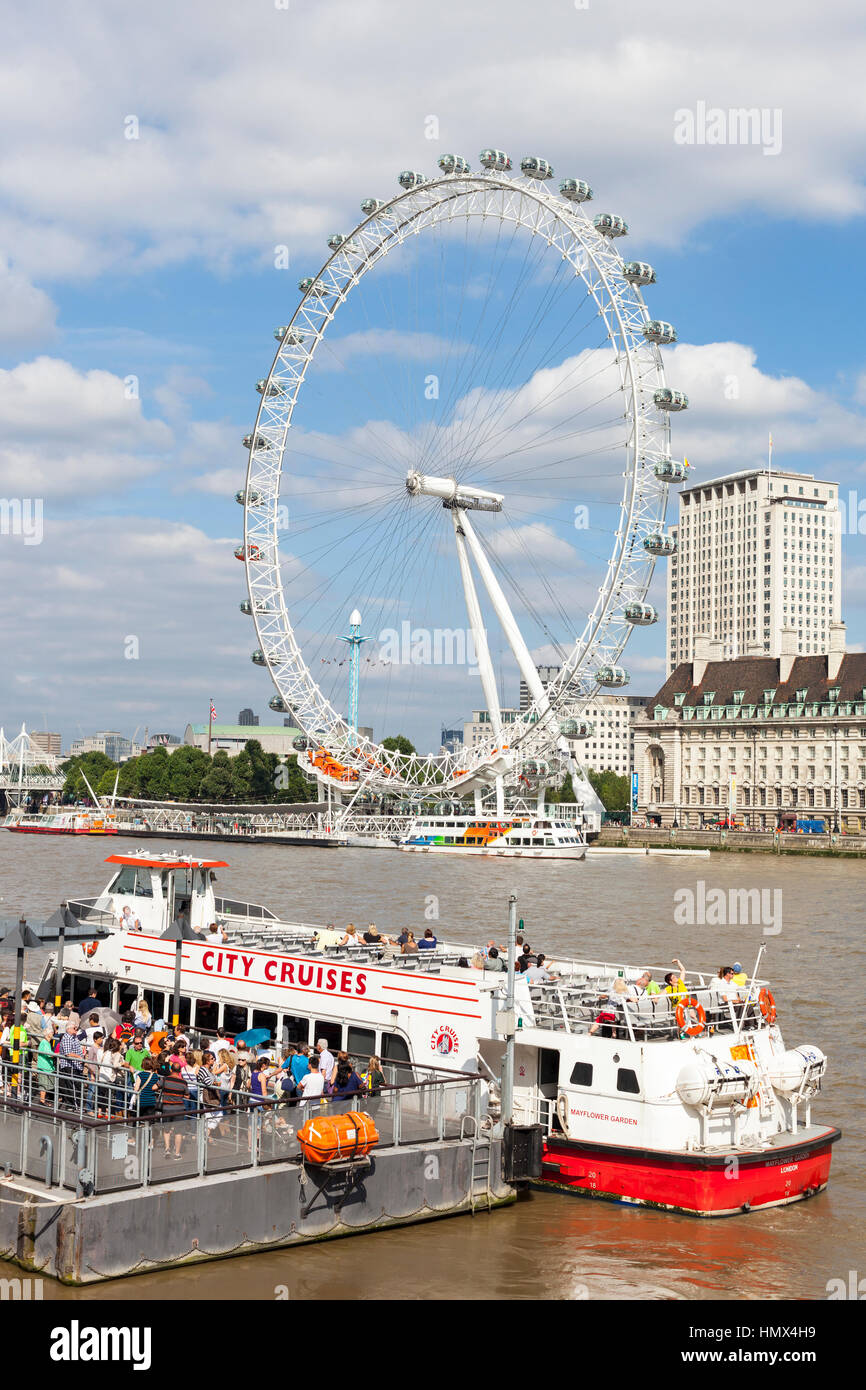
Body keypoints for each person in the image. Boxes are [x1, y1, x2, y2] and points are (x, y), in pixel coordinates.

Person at [158, 1058, 188, 1157]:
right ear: (180, 1071)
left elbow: (155, 1087)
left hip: (167, 1108)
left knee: (166, 1130)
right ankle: (177, 1153)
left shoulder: (165, 1079)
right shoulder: (183, 1082)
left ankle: (167, 1149)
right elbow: (187, 1096)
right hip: (179, 1109)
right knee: (178, 1132)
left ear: (171, 1069)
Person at [56, 1022, 86, 1108]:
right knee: (73, 1086)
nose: (76, 1030)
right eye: (74, 1028)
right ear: (68, 1029)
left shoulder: (73, 1037)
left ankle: (75, 1104)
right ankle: (75, 1105)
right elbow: (68, 1053)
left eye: (76, 1028)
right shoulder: (67, 1038)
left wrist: (82, 1055)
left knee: (76, 1085)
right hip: (70, 1066)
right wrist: (79, 1057)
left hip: (76, 1065)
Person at [36, 1026, 57, 1105]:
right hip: (44, 1066)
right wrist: (57, 1054)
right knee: (44, 1084)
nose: (52, 1034)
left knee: (47, 1084)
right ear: (48, 1034)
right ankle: (42, 1100)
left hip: (47, 1066)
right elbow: (49, 1054)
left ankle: (44, 1099)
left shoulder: (47, 1043)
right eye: (51, 1032)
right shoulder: (44, 1042)